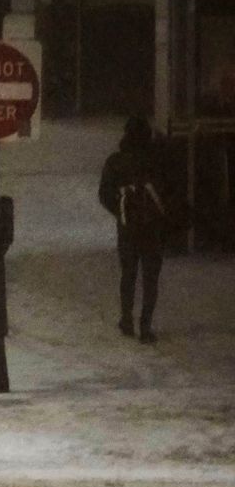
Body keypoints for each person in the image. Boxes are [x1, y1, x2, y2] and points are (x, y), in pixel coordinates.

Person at [98, 116, 171, 343]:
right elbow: (169, 191)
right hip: (151, 228)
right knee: (150, 278)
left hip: (128, 228)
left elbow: (104, 194)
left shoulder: (116, 161)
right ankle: (146, 326)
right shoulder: (157, 161)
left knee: (128, 275)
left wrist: (121, 211)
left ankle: (126, 319)